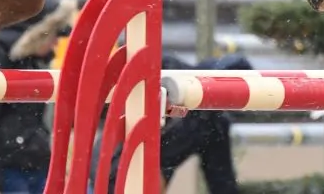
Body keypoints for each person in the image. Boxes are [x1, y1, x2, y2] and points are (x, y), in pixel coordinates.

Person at [98, 52, 253, 194]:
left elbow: (221, 179)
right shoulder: (169, 70)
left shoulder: (214, 123)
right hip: (113, 158)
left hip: (148, 175)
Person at [0, 0, 79, 194]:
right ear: (37, 34)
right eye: (53, 35)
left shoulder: (37, 62)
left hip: (35, 166)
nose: (56, 43)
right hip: (5, 172)